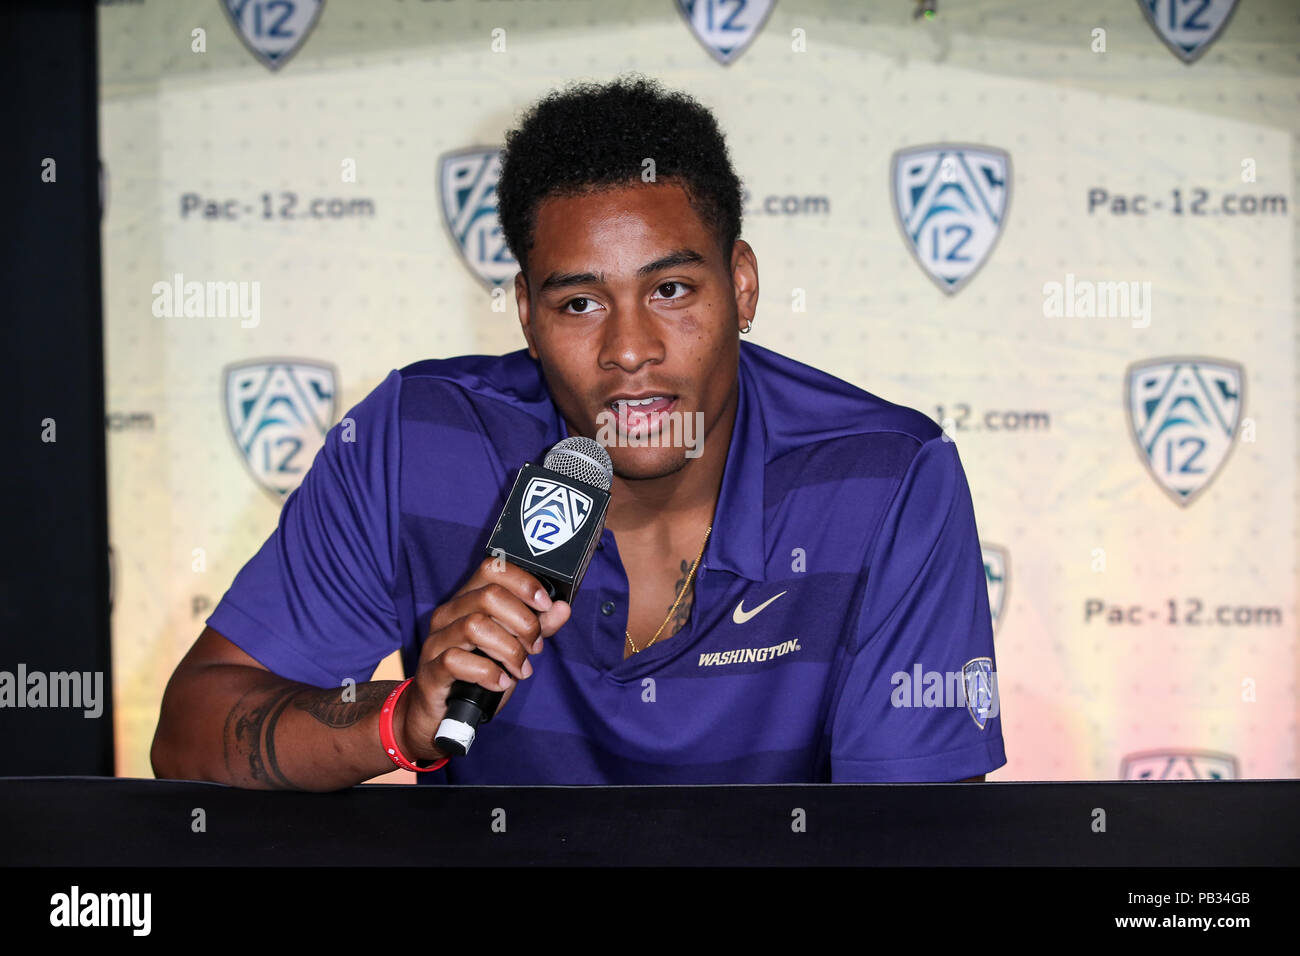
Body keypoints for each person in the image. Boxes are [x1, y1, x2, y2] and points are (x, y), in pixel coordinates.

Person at [151, 75, 1006, 790]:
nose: (629, 349)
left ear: (742, 286)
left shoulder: (886, 479)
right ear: (526, 313)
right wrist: (399, 721)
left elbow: (914, 841)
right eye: (580, 303)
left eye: (670, 291)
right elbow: (190, 737)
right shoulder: (417, 441)